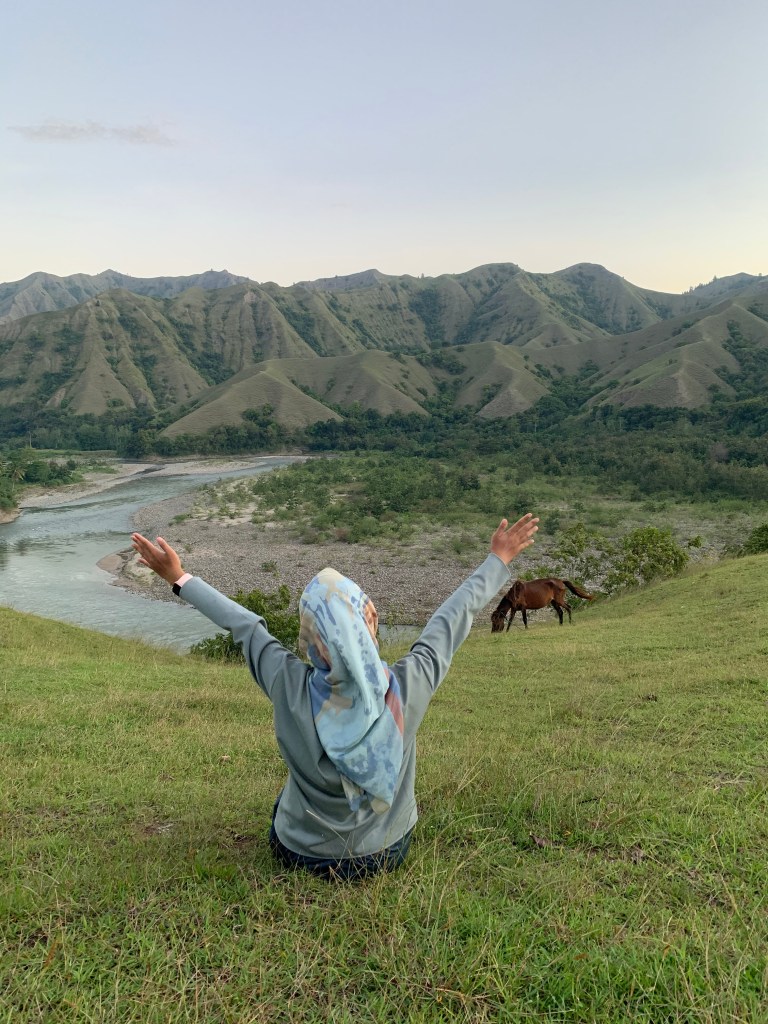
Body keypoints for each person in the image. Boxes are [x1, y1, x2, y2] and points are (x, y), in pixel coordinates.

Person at [130, 513, 538, 880]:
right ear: (368, 624)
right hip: (383, 853)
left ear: (310, 636)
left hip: (299, 853)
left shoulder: (286, 681)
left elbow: (245, 627)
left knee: (286, 799)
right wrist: (497, 559)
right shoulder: (409, 683)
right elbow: (451, 617)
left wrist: (178, 577)